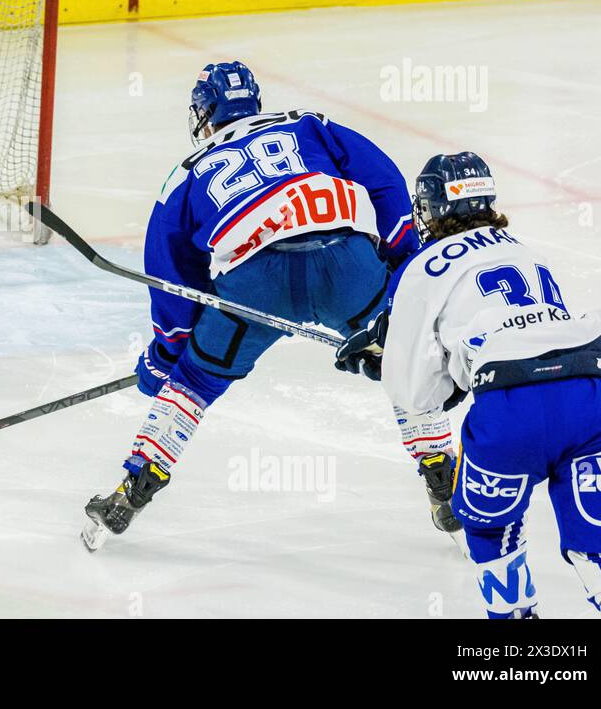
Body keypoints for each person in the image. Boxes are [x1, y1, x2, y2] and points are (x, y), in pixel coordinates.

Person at [83, 61, 441, 551]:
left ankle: (132, 490)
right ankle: (441, 473)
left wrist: (167, 356)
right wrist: (401, 257)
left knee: (194, 382)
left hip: (255, 283)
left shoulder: (186, 173)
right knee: (401, 356)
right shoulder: (309, 124)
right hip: (348, 266)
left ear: (205, 114)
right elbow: (382, 178)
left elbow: (170, 272)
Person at [336, 152, 601, 618]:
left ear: (432, 206)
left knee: (492, 533)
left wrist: (387, 360)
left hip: (513, 414)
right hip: (596, 403)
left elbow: (416, 395)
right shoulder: (523, 250)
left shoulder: (425, 266)